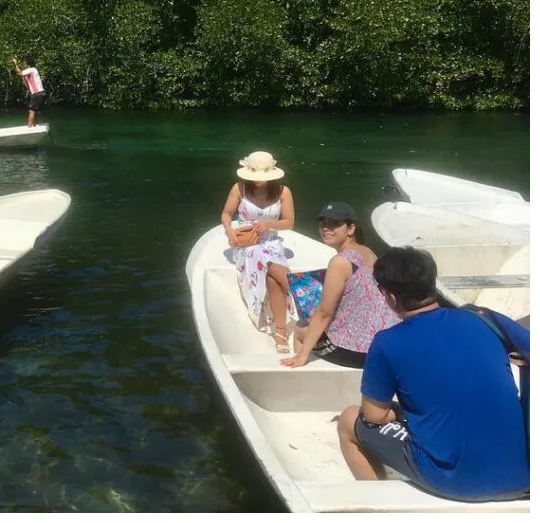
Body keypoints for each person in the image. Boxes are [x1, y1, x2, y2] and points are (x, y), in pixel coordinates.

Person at [337, 246, 529, 502]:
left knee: (350, 419)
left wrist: (408, 411)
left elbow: (375, 416)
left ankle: (378, 505)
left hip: (455, 482)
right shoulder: (483, 318)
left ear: (391, 298)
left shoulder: (387, 342)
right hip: (526, 474)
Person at [281, 202, 399, 369]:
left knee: (300, 330)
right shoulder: (369, 252)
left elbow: (324, 313)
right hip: (384, 347)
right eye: (323, 223)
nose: (326, 228)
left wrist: (303, 354)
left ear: (351, 229)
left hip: (358, 353)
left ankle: (301, 374)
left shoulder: (340, 262)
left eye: (334, 224)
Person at [220, 151, 297, 352]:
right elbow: (226, 214)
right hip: (247, 244)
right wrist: (230, 232)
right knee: (265, 262)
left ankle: (280, 332)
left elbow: (288, 222)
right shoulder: (239, 189)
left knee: (272, 275)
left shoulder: (283, 192)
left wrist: (269, 223)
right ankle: (299, 286)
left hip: (271, 240)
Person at [11, 54, 45, 128]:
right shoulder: (32, 71)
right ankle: (34, 126)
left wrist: (15, 63)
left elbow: (20, 73)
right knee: (34, 111)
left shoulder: (31, 69)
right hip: (39, 93)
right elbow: (23, 79)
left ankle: (29, 129)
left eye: (25, 63)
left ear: (28, 64)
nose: (24, 64)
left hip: (37, 93)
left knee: (31, 111)